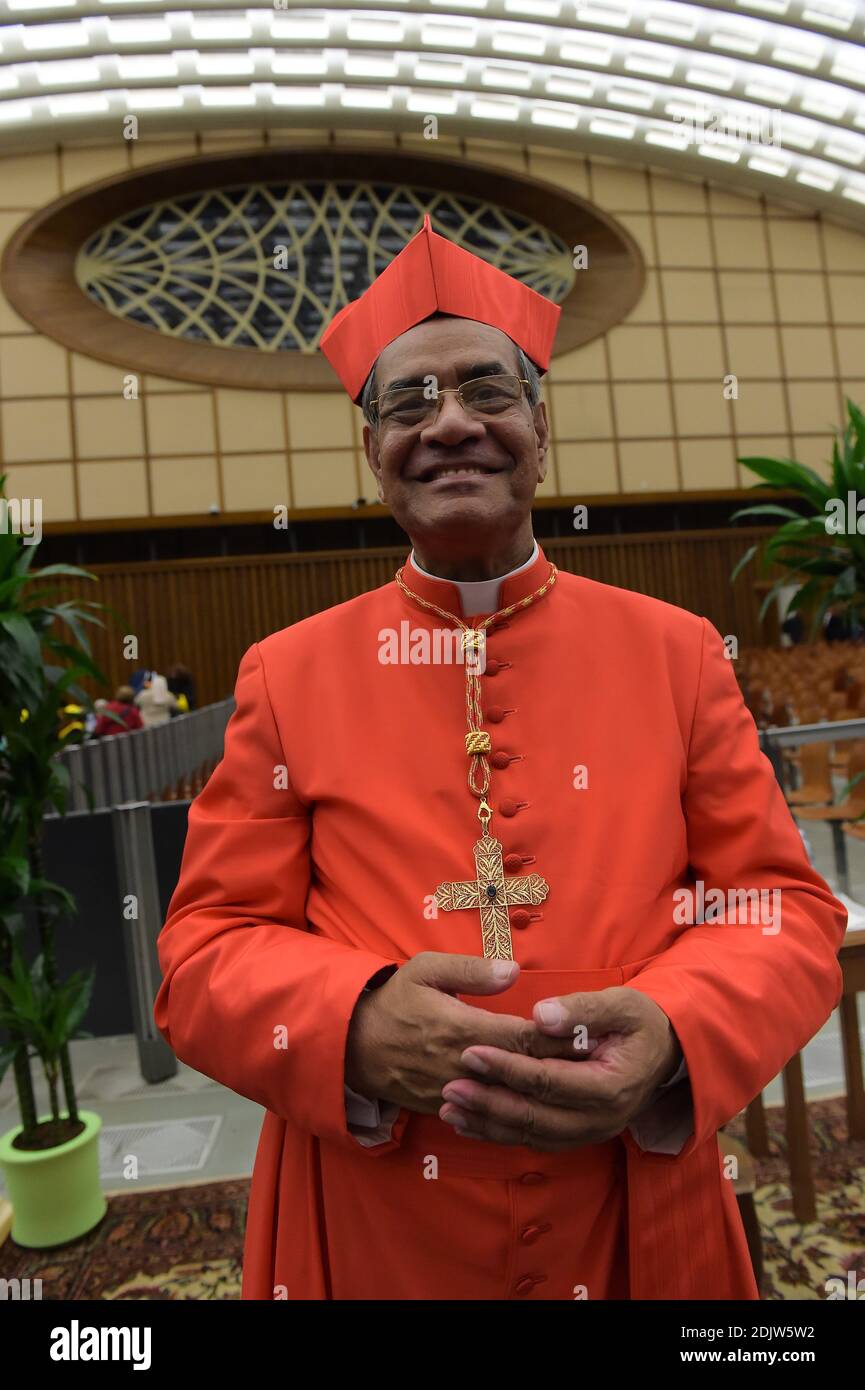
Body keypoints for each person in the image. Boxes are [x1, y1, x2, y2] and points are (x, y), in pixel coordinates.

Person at [154, 216, 846, 1302]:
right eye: (408, 404)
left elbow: (782, 908)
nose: (450, 425)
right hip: (378, 1216)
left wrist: (674, 1033)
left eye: (486, 391)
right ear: (370, 449)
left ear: (539, 424)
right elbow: (202, 954)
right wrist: (353, 1019)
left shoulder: (673, 652)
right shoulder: (288, 673)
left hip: (627, 1205)